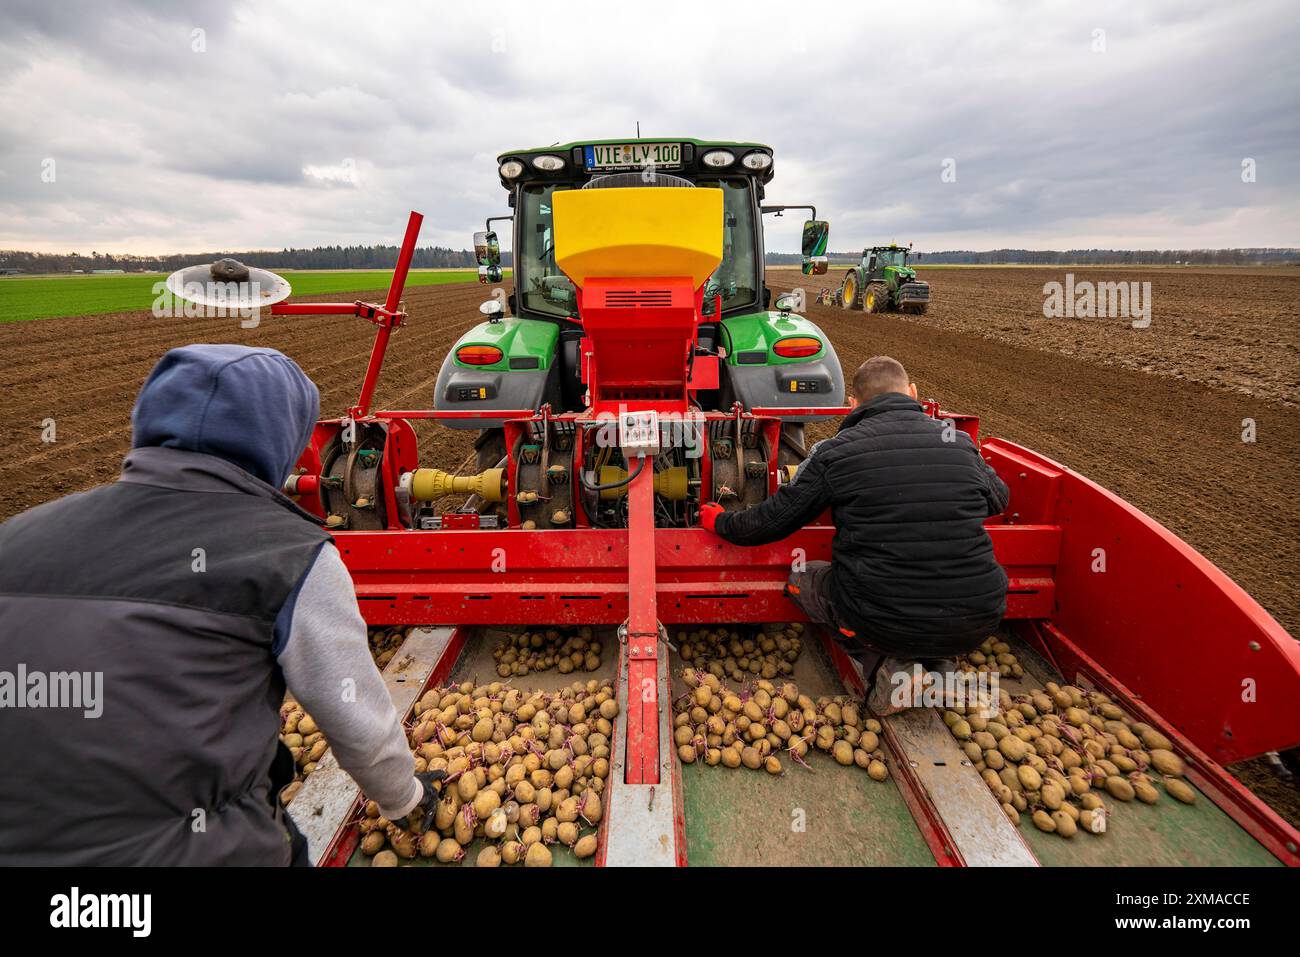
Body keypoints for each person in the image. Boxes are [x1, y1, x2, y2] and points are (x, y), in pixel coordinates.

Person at [0, 344, 441, 865]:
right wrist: (405, 798)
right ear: (277, 443)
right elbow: (358, 723)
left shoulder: (17, 539)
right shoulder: (288, 553)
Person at [700, 356, 1010, 714]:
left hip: (880, 620)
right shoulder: (958, 443)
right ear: (912, 393)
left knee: (804, 579)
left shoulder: (838, 454)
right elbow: (998, 499)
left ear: (853, 404)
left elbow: (770, 523)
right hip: (979, 616)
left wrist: (720, 521)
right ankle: (941, 669)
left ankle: (890, 669)